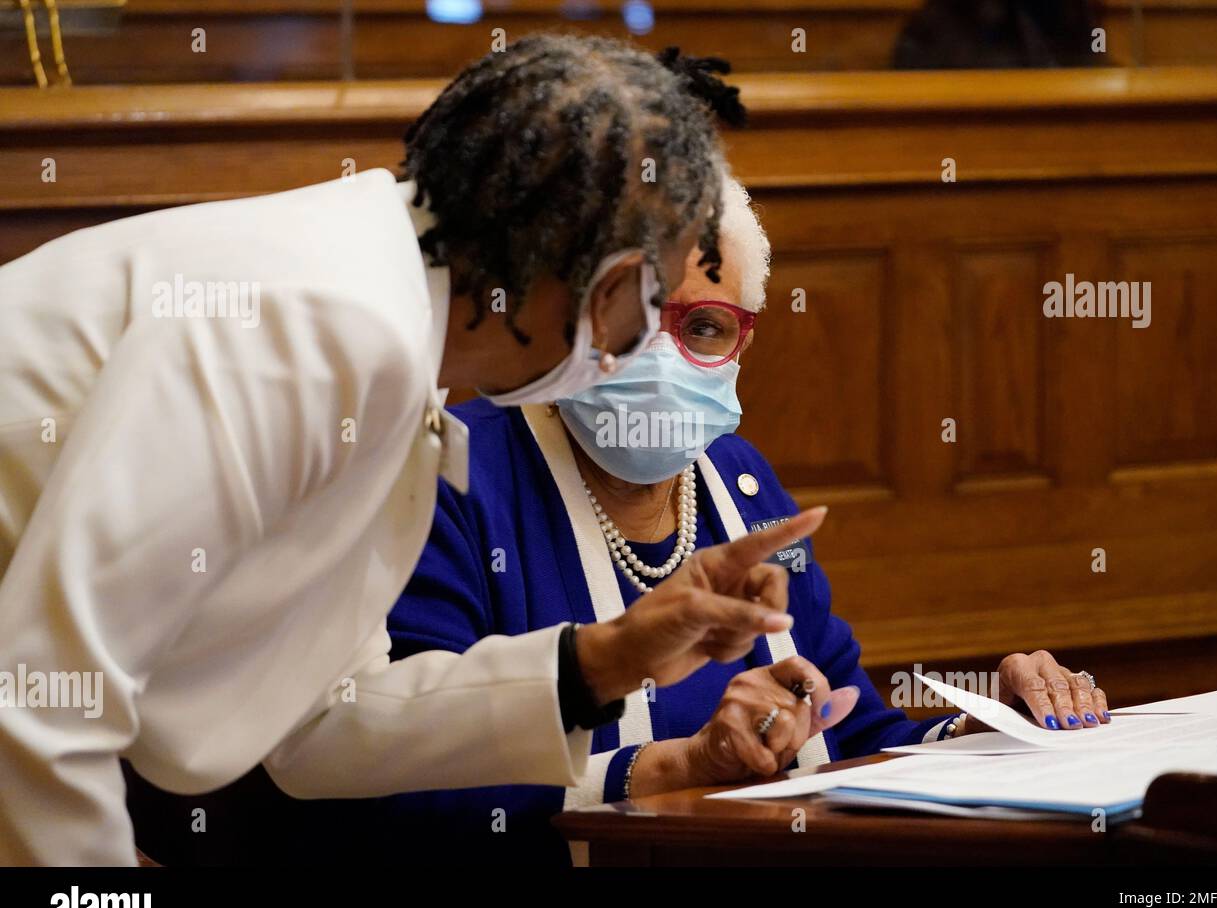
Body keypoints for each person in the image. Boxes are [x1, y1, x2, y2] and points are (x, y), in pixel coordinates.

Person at [126, 176, 1112, 865]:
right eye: (640, 316)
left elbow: (843, 732)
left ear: (743, 340)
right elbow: (390, 784)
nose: (669, 353)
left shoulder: (740, 481)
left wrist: (988, 730)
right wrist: (666, 771)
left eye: (708, 326)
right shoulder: (452, 474)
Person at [0, 36, 817, 865]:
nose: (645, 347)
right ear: (610, 289)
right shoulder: (320, 323)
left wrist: (607, 658)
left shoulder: (386, 325)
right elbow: (38, 704)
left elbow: (321, 723)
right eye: (652, 305)